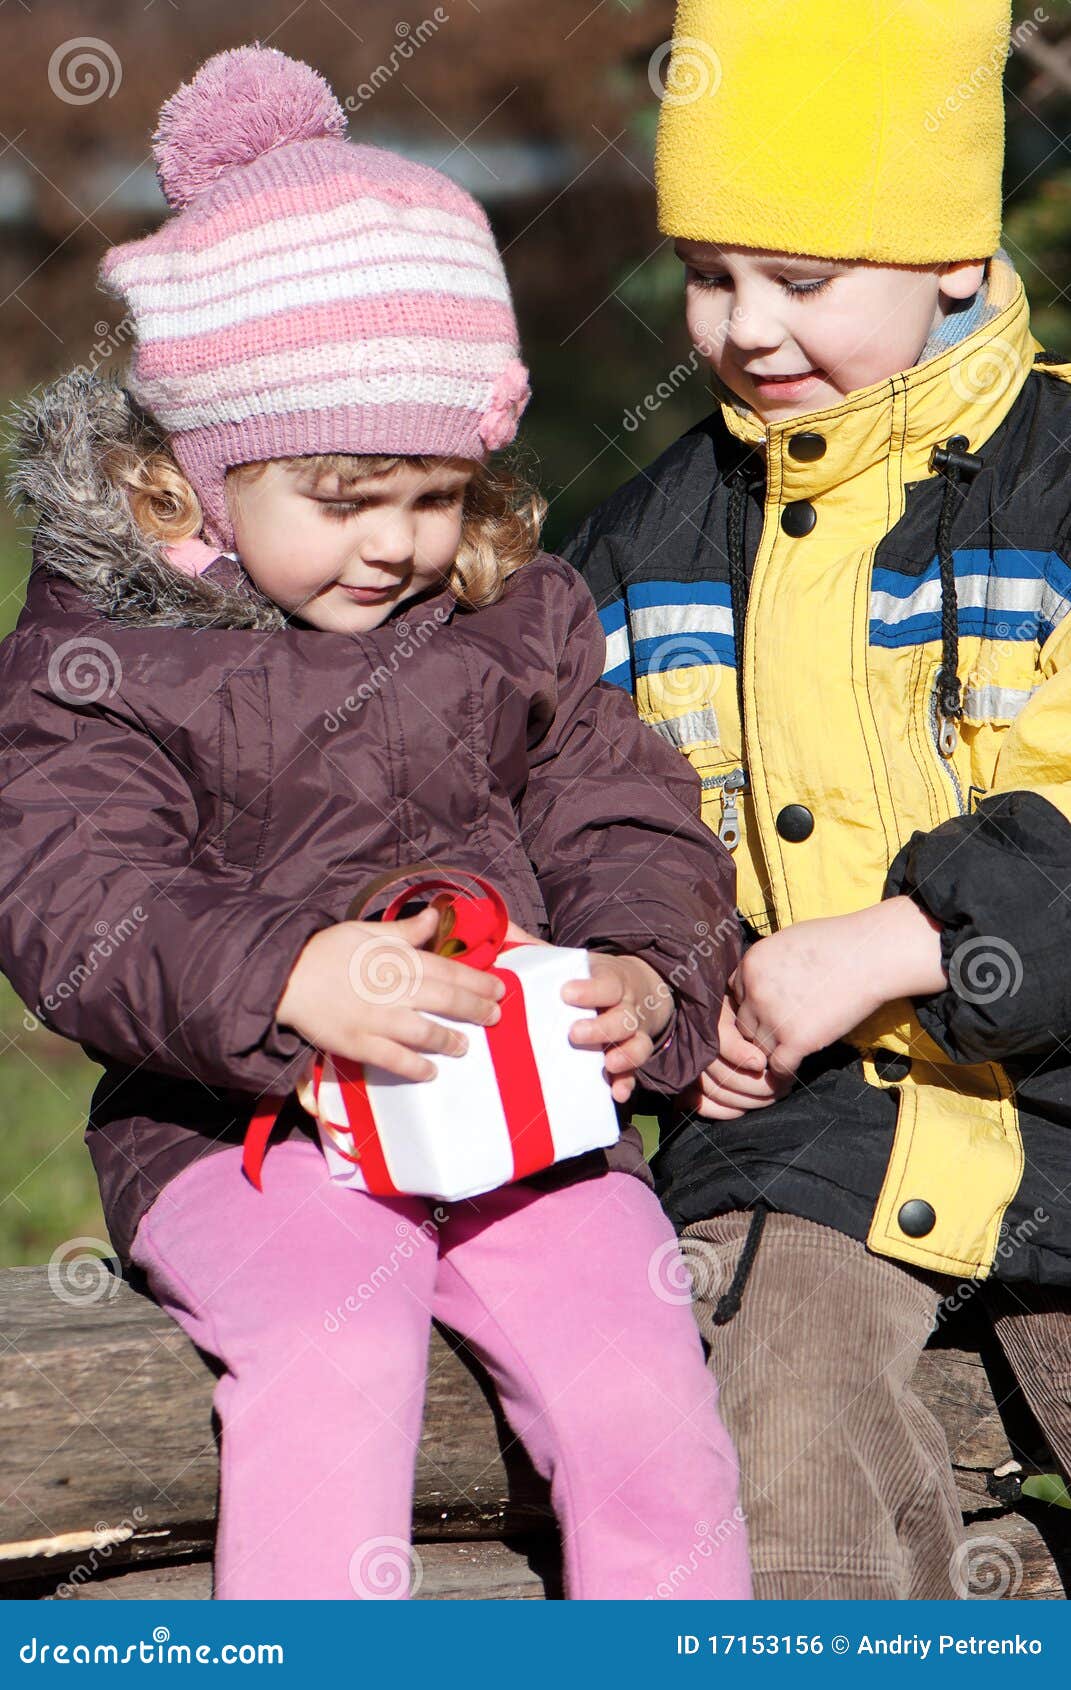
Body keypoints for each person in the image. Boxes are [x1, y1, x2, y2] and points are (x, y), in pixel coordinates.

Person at [0, 45, 751, 1602]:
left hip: (522, 1121)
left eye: (433, 492)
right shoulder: (111, 649)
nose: (398, 542)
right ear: (193, 482)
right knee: (336, 1360)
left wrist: (647, 972)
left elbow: (621, 804)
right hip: (243, 1132)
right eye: (342, 498)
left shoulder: (513, 614)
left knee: (643, 1391)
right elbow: (69, 890)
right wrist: (284, 974)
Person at [563, 0, 1071, 1600]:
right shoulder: (646, 545)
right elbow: (573, 819)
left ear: (953, 261)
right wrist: (662, 988)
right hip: (803, 1146)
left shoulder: (1056, 491)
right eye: (712, 275)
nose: (745, 329)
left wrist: (913, 937)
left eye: (801, 279)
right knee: (783, 1446)